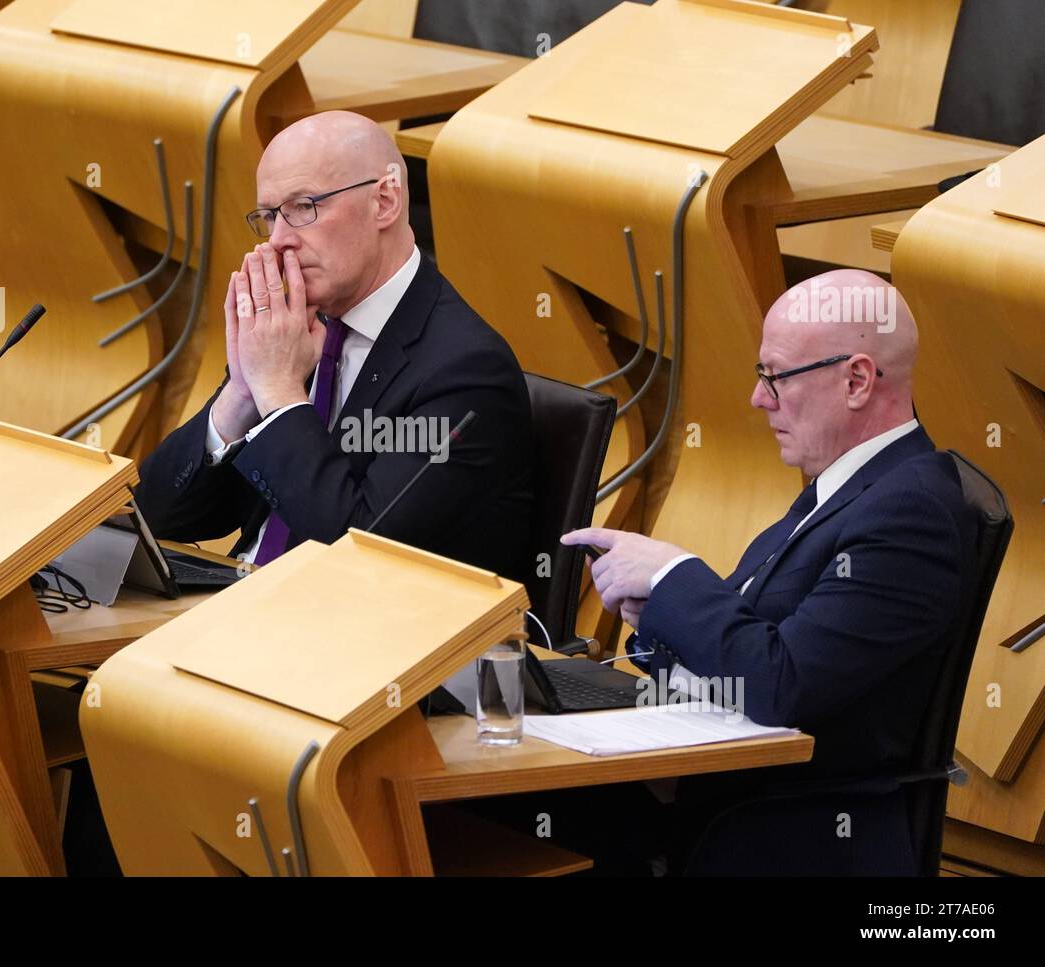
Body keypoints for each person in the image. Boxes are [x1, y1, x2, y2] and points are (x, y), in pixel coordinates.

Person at [562, 269, 978, 874]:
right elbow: (757, 637)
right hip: (719, 792)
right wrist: (662, 611)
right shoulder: (844, 488)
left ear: (857, 380)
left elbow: (783, 683)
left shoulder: (909, 513)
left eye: (775, 376)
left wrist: (674, 574)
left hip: (784, 837)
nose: (759, 398)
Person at [135, 111, 533, 579]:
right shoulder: (293, 331)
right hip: (238, 605)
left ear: (384, 201)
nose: (279, 240)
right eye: (268, 216)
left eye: (304, 207)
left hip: (369, 635)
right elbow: (158, 517)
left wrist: (281, 394)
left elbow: (358, 552)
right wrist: (241, 395)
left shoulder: (465, 373)